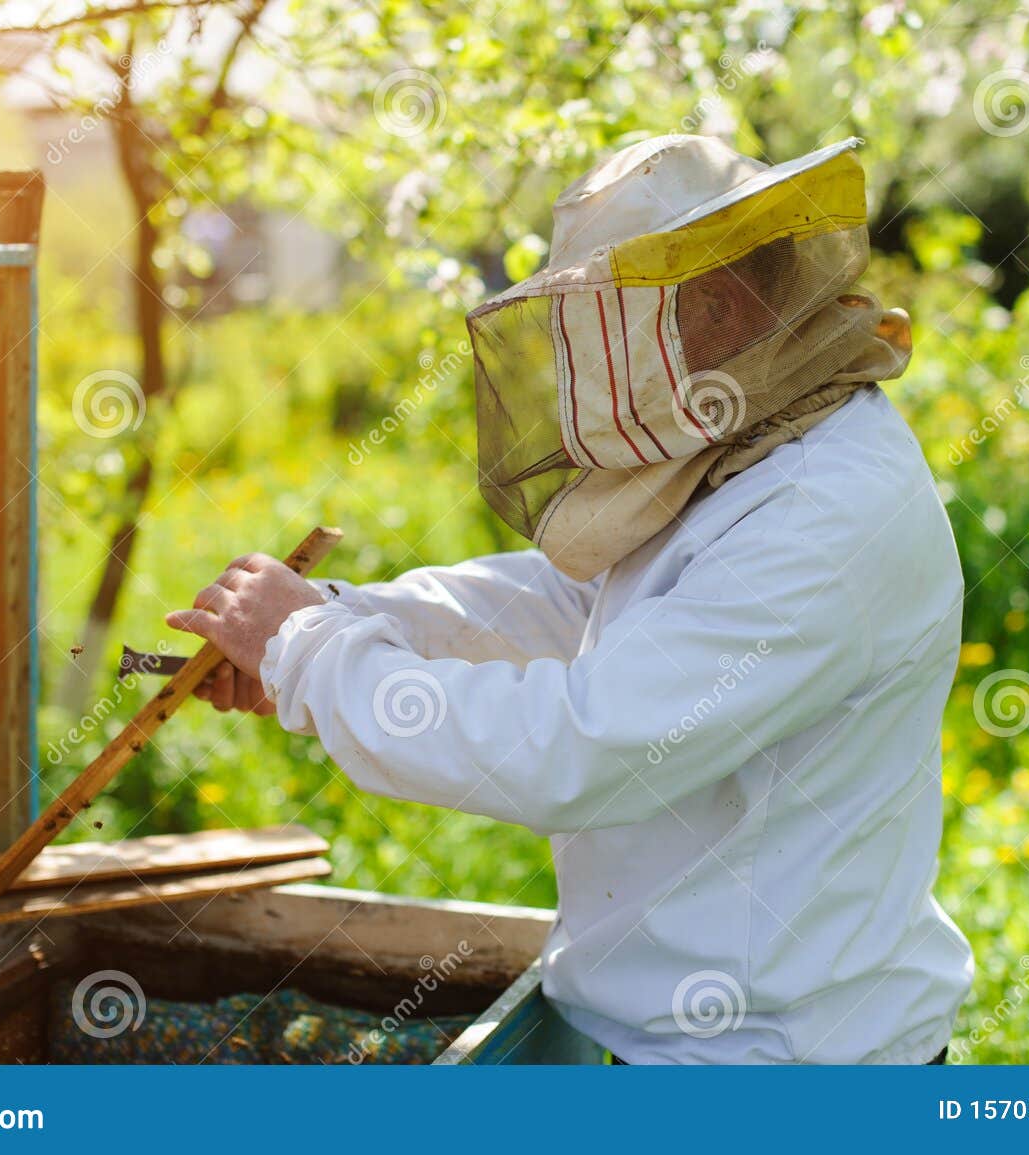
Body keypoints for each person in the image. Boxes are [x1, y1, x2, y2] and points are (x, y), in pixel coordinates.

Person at [166, 134, 973, 1064]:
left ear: (706, 307)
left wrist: (309, 651)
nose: (585, 358)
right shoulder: (754, 439)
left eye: (605, 318)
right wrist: (342, 622)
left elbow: (585, 751)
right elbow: (576, 604)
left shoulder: (825, 511)